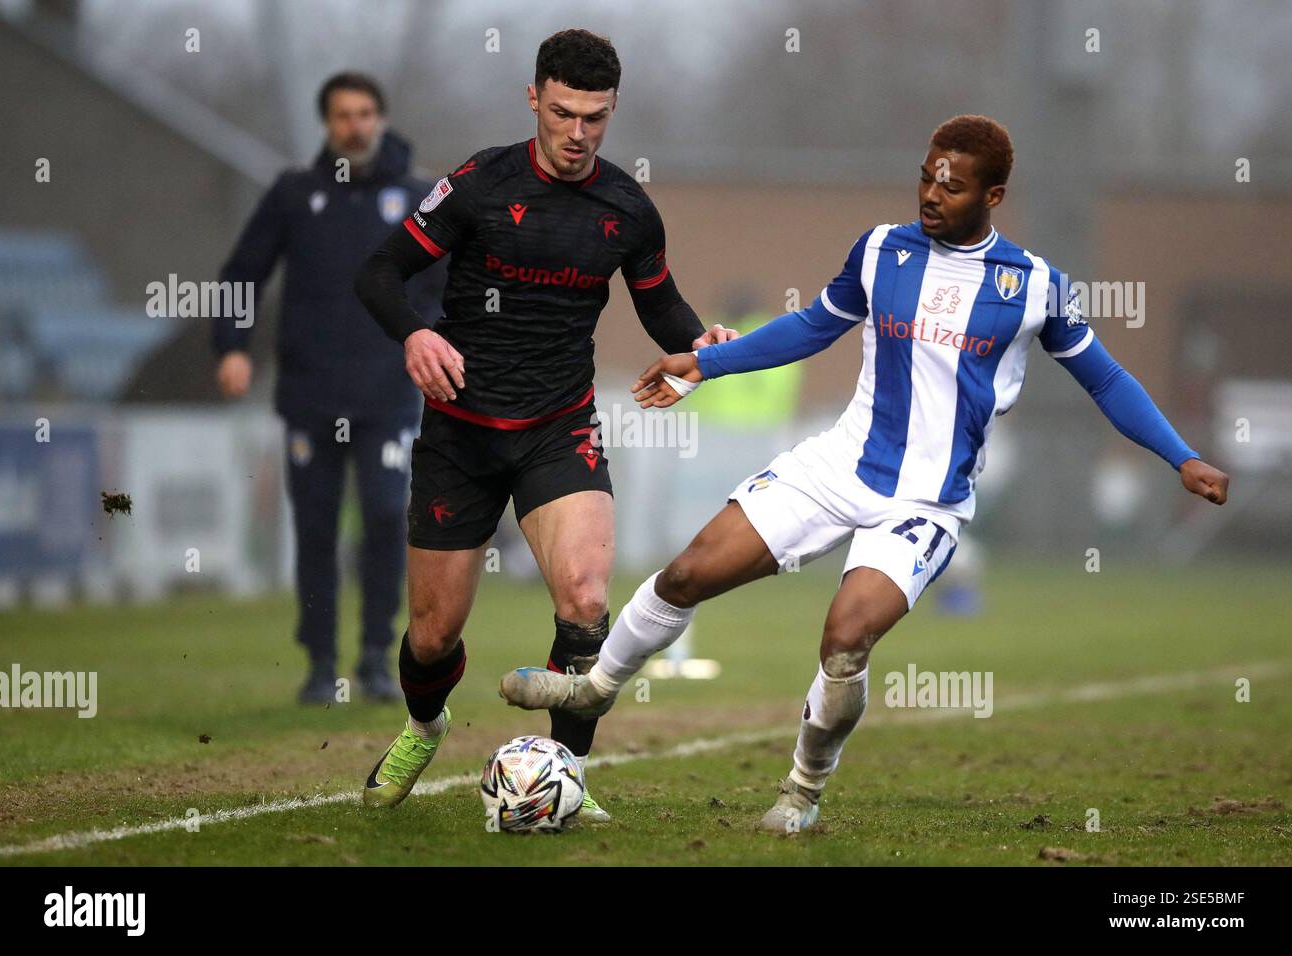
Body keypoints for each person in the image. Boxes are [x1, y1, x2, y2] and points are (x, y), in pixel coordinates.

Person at [498, 114, 1230, 832]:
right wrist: (707, 362)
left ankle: (801, 790)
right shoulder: (882, 251)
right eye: (925, 178)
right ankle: (594, 690)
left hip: (927, 502)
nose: (931, 194)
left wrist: (1181, 455)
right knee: (687, 573)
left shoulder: (1034, 285)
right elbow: (812, 326)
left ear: (994, 197)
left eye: (952, 186)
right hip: (838, 464)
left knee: (846, 639)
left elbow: (1105, 380)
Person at [354, 29, 735, 820]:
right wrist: (416, 334)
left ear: (612, 111)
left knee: (588, 601)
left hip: (558, 426)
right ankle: (425, 726)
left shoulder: (627, 208)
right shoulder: (479, 184)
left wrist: (698, 343)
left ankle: (563, 773)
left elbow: (660, 304)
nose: (577, 133)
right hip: (459, 430)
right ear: (534, 99)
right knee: (430, 636)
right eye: (562, 113)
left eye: (594, 118)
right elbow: (380, 271)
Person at [214, 72, 445, 704]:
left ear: (382, 117)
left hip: (388, 393)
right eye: (343, 114)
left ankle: (375, 653)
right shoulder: (295, 193)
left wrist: (433, 344)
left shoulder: (420, 198)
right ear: (327, 124)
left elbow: (447, 286)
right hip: (311, 395)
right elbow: (242, 273)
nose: (356, 125)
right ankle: (320, 662)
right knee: (314, 527)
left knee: (382, 515)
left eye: (366, 112)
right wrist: (232, 346)